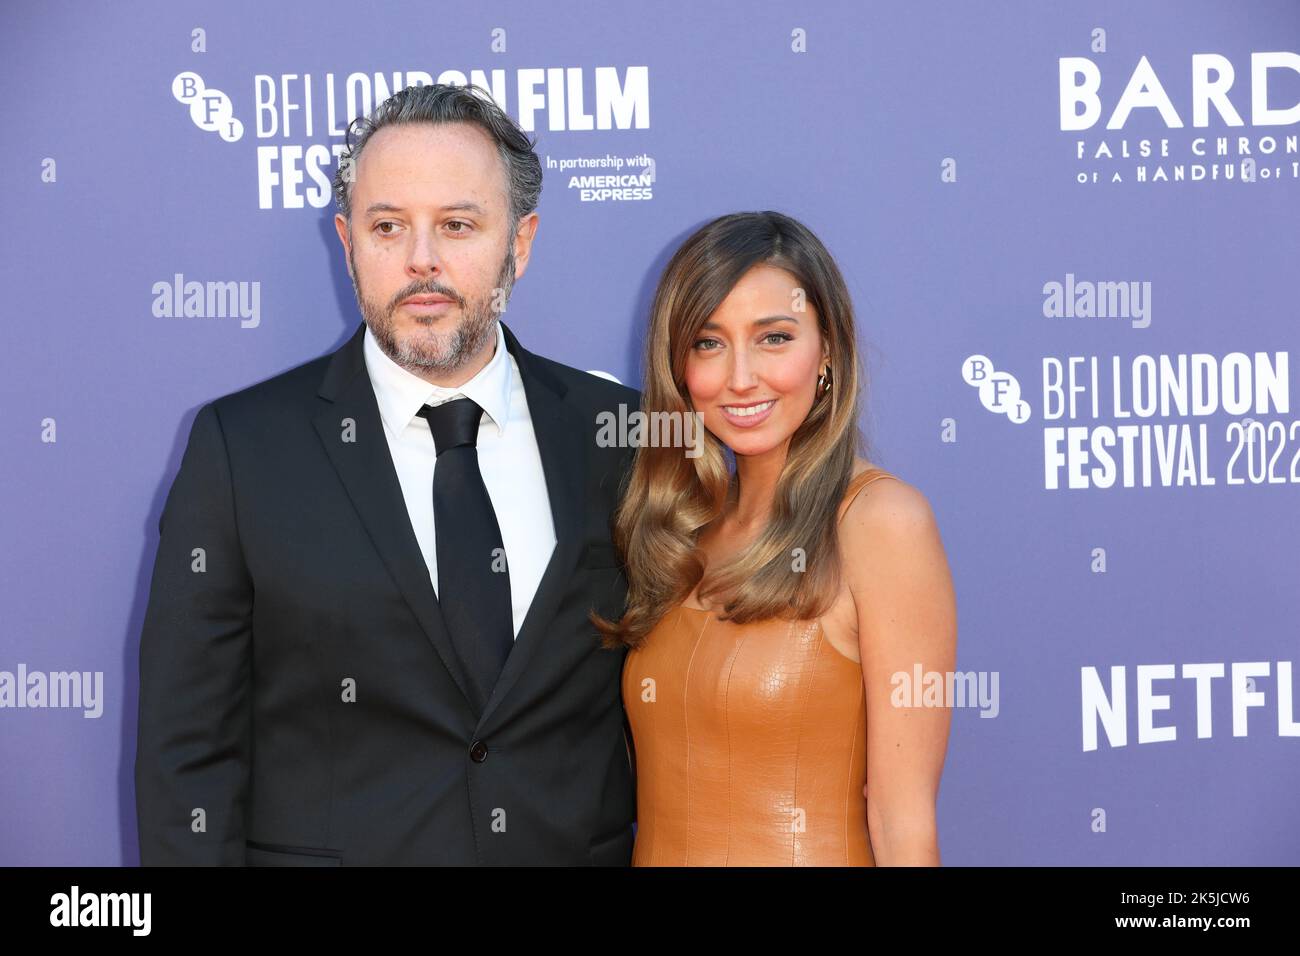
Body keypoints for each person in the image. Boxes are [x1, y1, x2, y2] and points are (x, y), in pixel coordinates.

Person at [135, 83, 639, 865]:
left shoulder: (622, 435)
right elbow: (187, 754)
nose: (422, 260)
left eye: (458, 225)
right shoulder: (242, 450)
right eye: (387, 226)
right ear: (347, 242)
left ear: (523, 241)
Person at [595, 211, 957, 865]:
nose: (740, 377)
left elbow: (903, 824)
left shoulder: (881, 524)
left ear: (829, 352)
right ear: (677, 367)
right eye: (708, 342)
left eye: (774, 338)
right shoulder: (679, 531)